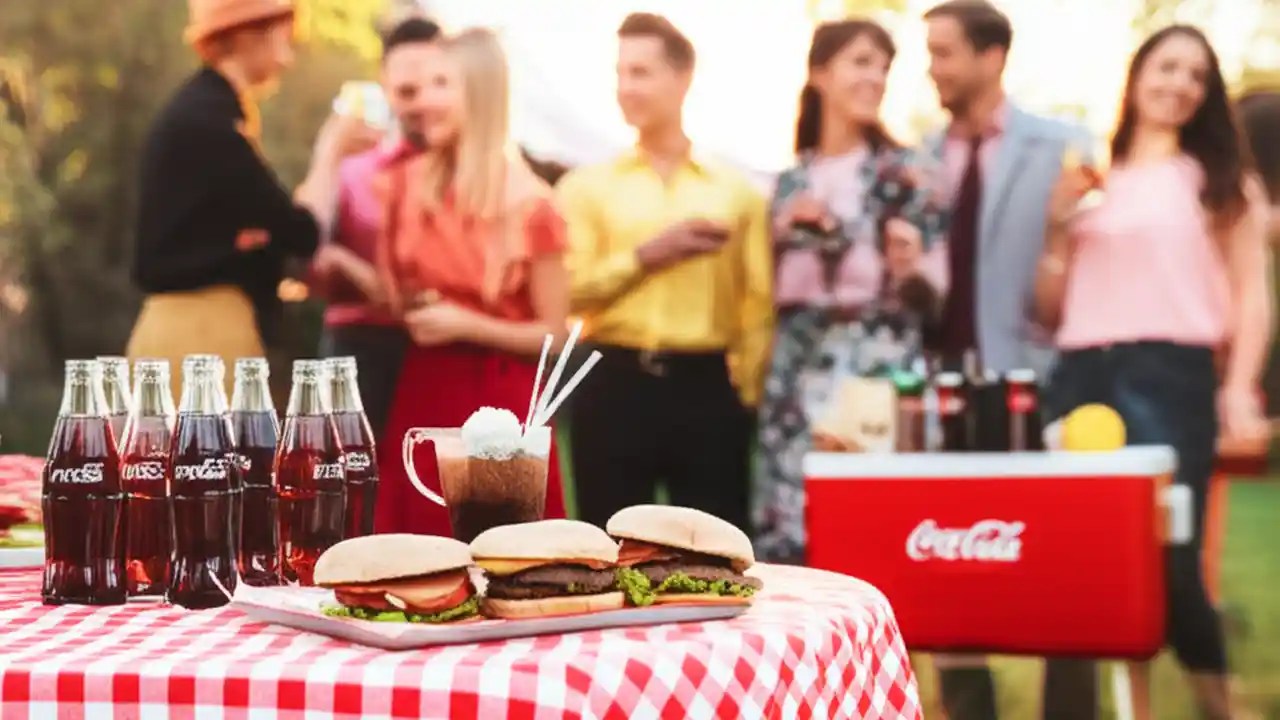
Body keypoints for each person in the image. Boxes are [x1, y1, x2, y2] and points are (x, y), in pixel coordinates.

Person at [1034, 25, 1273, 720]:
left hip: (1169, 373)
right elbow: (1051, 309)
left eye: (1196, 76)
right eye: (1167, 67)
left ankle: (1216, 708)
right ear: (1137, 75)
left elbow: (1252, 296)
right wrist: (1055, 229)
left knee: (1171, 556)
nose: (1179, 84)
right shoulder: (1092, 182)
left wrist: (1237, 385)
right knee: (1070, 559)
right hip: (1078, 375)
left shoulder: (1220, 182)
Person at [920, 2, 1098, 719]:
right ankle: (968, 712)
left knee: (1063, 567)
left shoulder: (1063, 146)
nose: (932, 69)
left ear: (991, 57)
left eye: (944, 53)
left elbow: (1082, 268)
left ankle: (1072, 712)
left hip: (1036, 384)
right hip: (939, 392)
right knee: (944, 565)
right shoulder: (923, 157)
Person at [556, 13, 772, 532]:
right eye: (620, 73)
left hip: (706, 392)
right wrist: (645, 257)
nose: (626, 88)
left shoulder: (736, 193)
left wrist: (743, 397)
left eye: (641, 72)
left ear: (683, 78)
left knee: (712, 553)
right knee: (606, 550)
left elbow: (758, 304)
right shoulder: (585, 187)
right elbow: (564, 293)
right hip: (612, 382)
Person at [752, 20, 948, 565]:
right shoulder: (789, 184)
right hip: (795, 379)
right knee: (793, 539)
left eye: (884, 67)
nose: (876, 77)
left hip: (876, 377)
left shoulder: (908, 174)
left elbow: (937, 301)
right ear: (819, 73)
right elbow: (761, 294)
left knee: (876, 536)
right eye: (861, 62)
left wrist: (909, 268)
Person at [373, 28, 570, 536]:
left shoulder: (533, 204)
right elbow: (396, 300)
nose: (424, 100)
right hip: (424, 384)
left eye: (442, 83)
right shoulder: (409, 184)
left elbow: (556, 335)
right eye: (420, 85)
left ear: (480, 96)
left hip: (499, 404)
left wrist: (466, 324)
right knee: (414, 552)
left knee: (502, 553)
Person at [129, 0, 376, 395]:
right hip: (201, 338)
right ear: (248, 35)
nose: (288, 59)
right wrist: (332, 148)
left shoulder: (203, 113)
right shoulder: (210, 124)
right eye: (284, 40)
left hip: (182, 334)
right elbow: (302, 232)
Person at [310, 16, 441, 440]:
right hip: (356, 350)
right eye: (406, 91)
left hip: (438, 351)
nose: (420, 104)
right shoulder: (354, 167)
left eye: (433, 87)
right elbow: (305, 258)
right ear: (384, 84)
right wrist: (327, 153)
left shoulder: (475, 175)